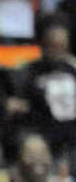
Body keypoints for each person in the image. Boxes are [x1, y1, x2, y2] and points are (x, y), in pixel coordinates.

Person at [6, 19, 76, 174]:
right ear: (43, 45)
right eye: (52, 45)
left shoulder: (72, 68)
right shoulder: (31, 71)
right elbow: (18, 104)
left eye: (61, 45)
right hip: (46, 142)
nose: (57, 50)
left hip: (72, 140)